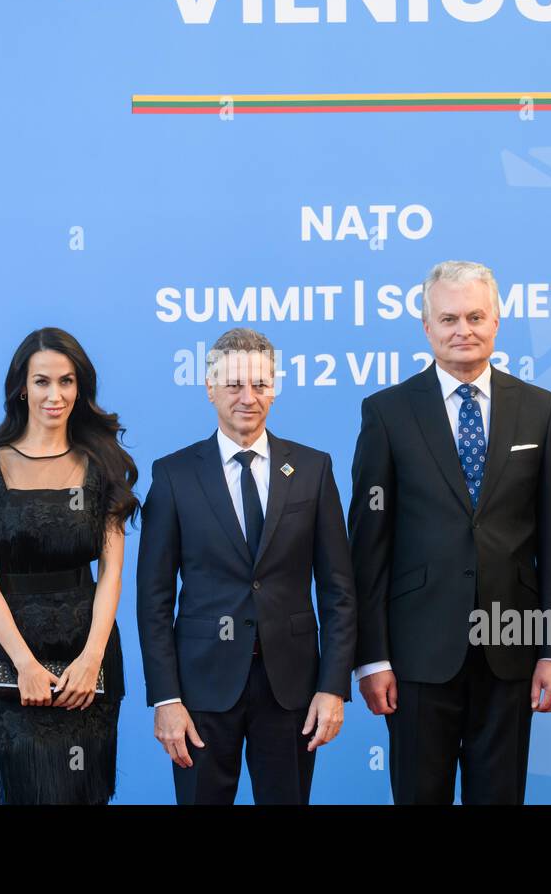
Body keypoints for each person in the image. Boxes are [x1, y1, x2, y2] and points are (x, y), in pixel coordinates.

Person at [348, 260, 551, 804]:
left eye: (475, 316)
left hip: (512, 645)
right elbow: (368, 544)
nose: (462, 330)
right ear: (426, 328)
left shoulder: (540, 410)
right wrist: (372, 657)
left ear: (497, 322)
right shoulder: (387, 412)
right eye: (448, 318)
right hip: (417, 653)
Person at [136, 327, 357, 804]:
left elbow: (339, 588)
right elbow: (153, 598)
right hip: (201, 689)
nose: (248, 398)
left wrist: (333, 686)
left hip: (292, 689)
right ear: (211, 389)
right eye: (234, 385)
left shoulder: (314, 469)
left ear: (274, 388)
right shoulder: (173, 475)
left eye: (260, 384)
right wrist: (166, 698)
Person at [0, 327, 139, 804]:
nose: (54, 395)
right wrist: (25, 665)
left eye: (66, 381)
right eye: (42, 381)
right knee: (29, 791)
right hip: (12, 653)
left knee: (84, 793)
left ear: (80, 389)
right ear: (22, 386)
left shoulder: (104, 464)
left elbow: (113, 573)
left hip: (89, 655)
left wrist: (92, 657)